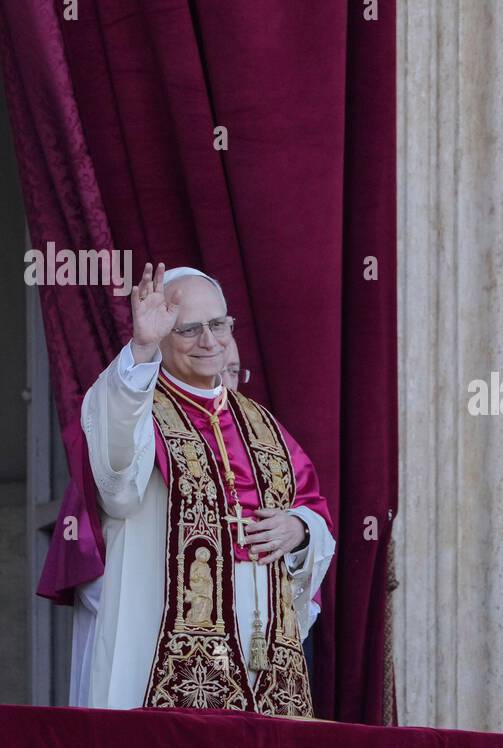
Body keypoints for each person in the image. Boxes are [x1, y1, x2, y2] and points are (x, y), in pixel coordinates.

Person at [78, 263, 335, 716]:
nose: (210, 341)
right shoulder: (136, 404)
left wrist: (299, 529)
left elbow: (313, 509)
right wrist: (141, 349)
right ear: (161, 333)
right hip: (161, 655)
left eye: (218, 325)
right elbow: (117, 485)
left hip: (263, 660)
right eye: (189, 330)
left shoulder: (261, 424)